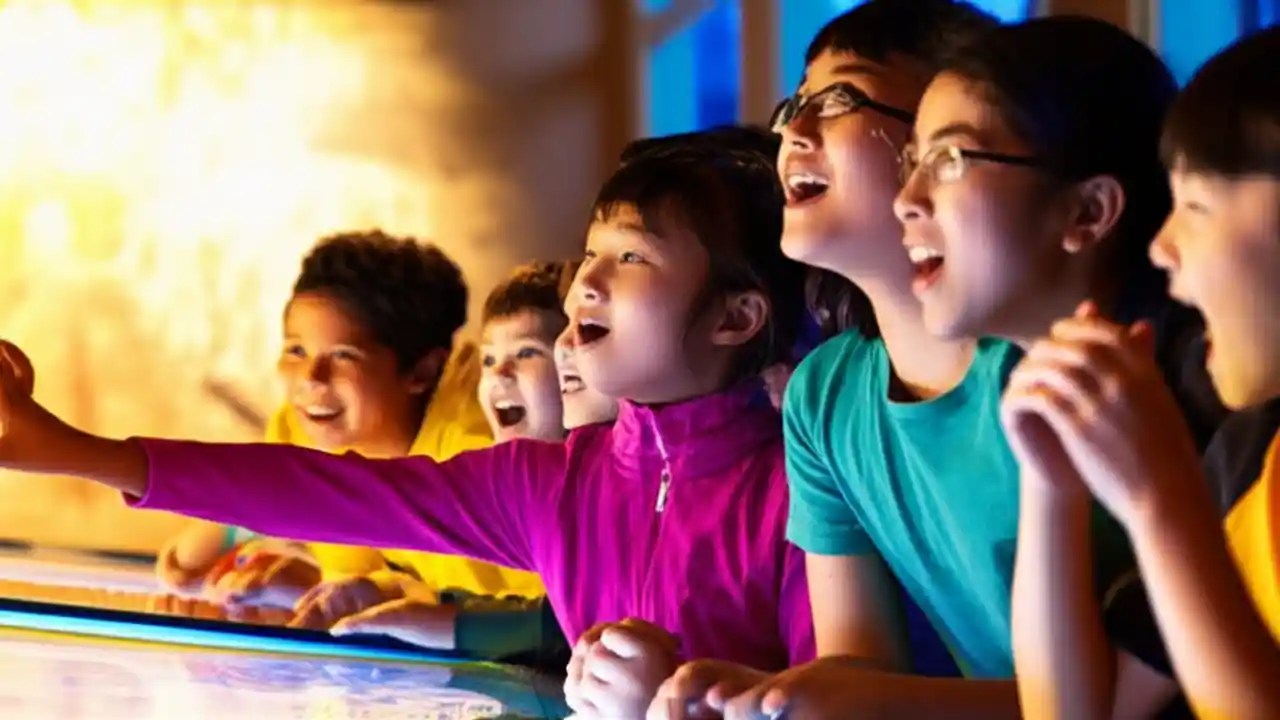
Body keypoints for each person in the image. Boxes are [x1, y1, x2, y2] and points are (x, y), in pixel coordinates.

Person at [0, 129, 814, 720]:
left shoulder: (800, 491)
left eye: (631, 257)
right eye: (590, 252)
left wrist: (681, 703)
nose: (585, 284)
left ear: (737, 317)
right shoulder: (554, 480)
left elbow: (840, 692)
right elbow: (329, 490)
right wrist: (80, 452)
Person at [652, 11, 1225, 720]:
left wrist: (870, 701)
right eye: (792, 105)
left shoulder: (1145, 388)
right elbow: (867, 666)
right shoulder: (831, 396)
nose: (909, 197)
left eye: (945, 157)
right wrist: (781, 695)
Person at [1004, 25, 1280, 719]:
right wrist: (1053, 482)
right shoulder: (1259, 456)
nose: (1162, 247)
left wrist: (1162, 501)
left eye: (1196, 206)